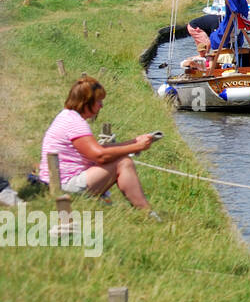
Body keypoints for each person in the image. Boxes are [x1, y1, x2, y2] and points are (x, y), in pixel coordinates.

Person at [38, 75, 159, 218]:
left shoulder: (68, 116)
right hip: (64, 184)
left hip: (56, 180)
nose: (101, 105)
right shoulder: (75, 123)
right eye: (98, 101)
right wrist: (137, 147)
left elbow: (98, 150)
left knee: (121, 160)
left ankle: (145, 212)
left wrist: (134, 141)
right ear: (86, 102)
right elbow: (100, 155)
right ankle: (147, 213)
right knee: (123, 163)